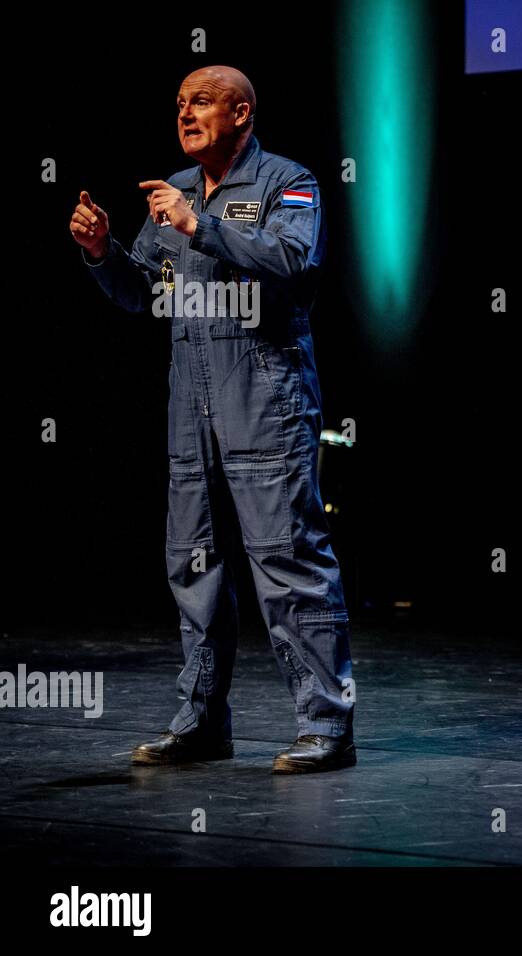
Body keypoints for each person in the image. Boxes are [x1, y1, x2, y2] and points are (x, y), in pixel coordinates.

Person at [68, 66, 356, 773]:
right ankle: (201, 723)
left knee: (287, 560)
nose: (185, 113)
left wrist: (201, 225)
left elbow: (294, 261)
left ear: (242, 114)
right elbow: (143, 294)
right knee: (193, 565)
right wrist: (102, 251)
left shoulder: (288, 182)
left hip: (265, 400)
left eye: (200, 103)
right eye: (179, 104)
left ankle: (327, 724)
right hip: (190, 407)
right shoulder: (175, 189)